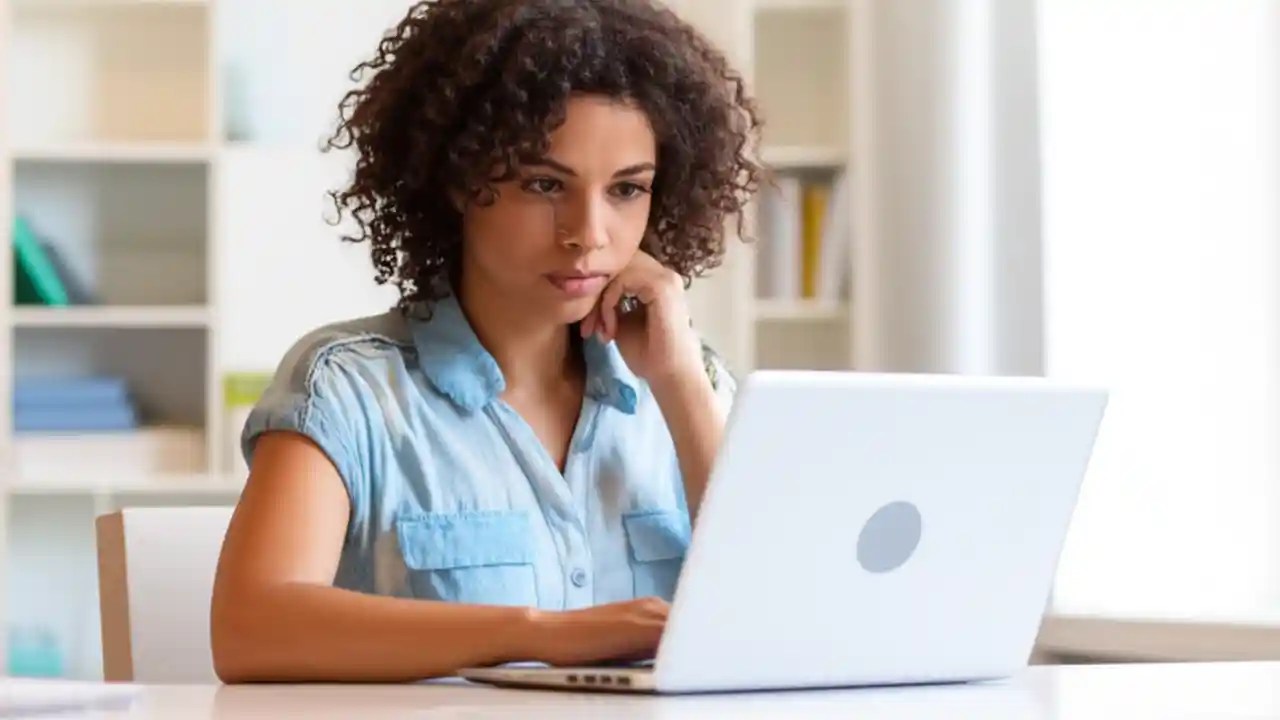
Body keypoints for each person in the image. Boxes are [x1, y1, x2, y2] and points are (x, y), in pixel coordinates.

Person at [210, 0, 762, 683]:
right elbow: (251, 629)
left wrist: (679, 386)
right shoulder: (348, 390)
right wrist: (544, 636)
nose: (588, 233)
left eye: (626, 189)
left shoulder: (690, 382)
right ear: (458, 179)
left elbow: (780, 622)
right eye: (544, 184)